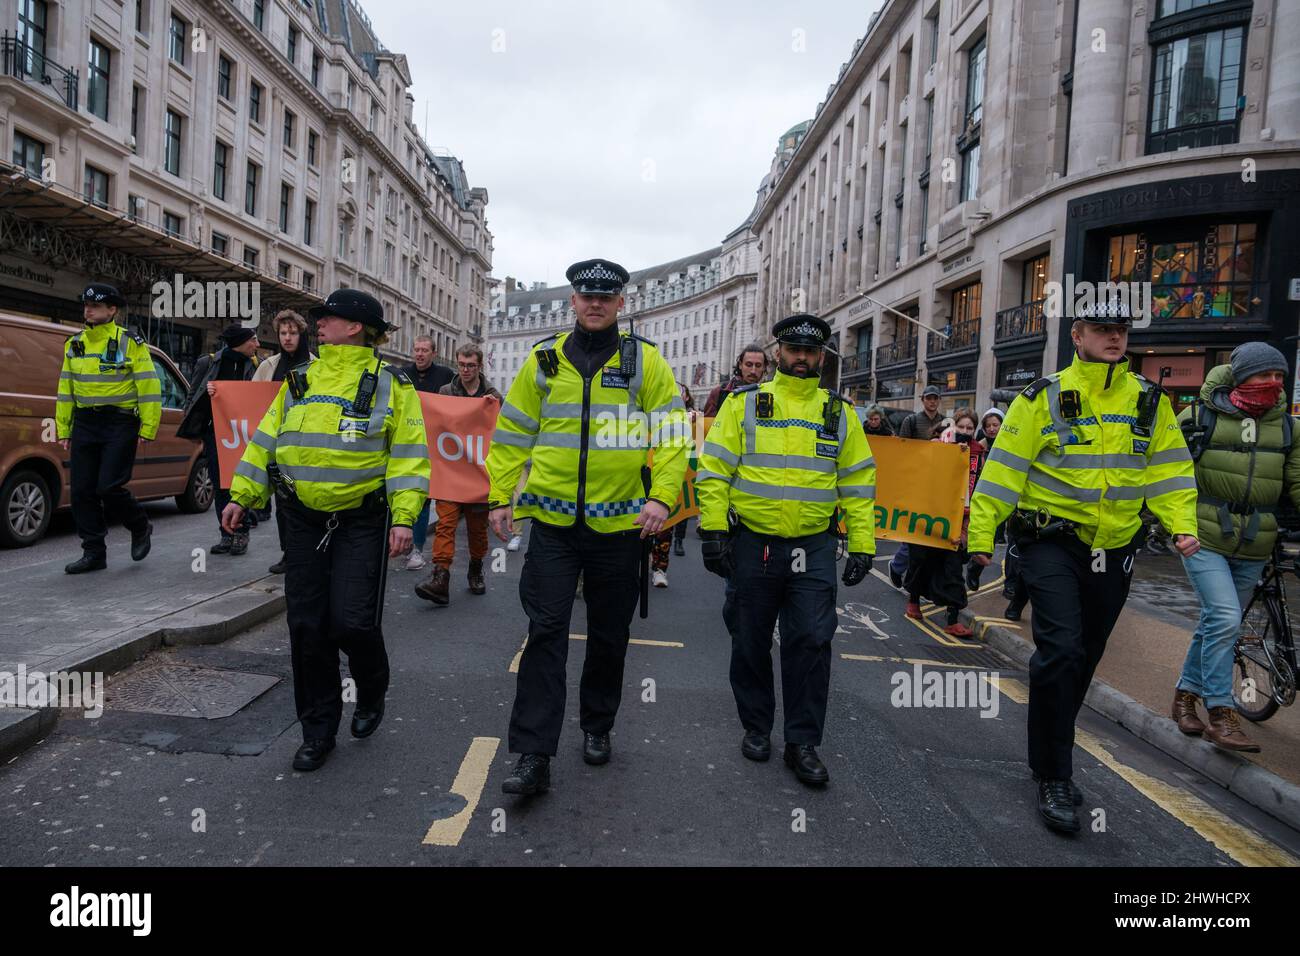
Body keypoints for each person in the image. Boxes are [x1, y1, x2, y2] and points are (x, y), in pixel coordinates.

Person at [967, 301, 1198, 834]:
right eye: (1102, 329)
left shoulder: (1148, 400)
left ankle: (1046, 750)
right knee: (1062, 650)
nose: (1114, 338)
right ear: (1078, 334)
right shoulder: (1041, 398)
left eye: (1121, 330)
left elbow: (1168, 470)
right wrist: (981, 534)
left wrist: (1181, 522)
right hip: (1052, 544)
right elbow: (1004, 471)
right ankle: (1056, 774)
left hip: (1114, 547)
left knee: (1085, 658)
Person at [486, 258, 690, 795]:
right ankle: (533, 754)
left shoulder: (646, 363)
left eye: (606, 295)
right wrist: (498, 495)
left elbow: (672, 438)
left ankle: (597, 724)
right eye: (585, 295)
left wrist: (662, 498)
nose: (595, 303)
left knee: (608, 636)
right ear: (572, 301)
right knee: (546, 632)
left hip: (621, 528)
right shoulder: (544, 359)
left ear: (621, 303)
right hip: (552, 525)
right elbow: (512, 434)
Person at [223, 289, 429, 772]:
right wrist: (242, 495)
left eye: (327, 318)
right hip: (301, 518)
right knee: (307, 627)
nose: (319, 325)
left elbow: (409, 455)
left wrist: (403, 518)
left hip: (362, 518)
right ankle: (318, 731)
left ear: (356, 326)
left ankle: (372, 686)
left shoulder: (391, 385)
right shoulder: (299, 379)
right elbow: (265, 441)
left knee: (352, 622)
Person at [696, 313, 876, 787]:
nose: (801, 359)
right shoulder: (744, 405)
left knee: (812, 643)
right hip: (754, 542)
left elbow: (858, 482)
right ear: (778, 354)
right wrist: (713, 531)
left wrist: (862, 543)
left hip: (814, 547)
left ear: (821, 356)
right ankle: (757, 727)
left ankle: (802, 742)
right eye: (793, 351)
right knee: (750, 638)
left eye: (810, 352)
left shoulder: (839, 412)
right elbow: (714, 471)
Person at [1172, 343, 1300, 754]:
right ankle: (1221, 714)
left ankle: (1183, 699)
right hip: (1203, 536)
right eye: (1265, 375)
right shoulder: (1197, 417)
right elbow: (1166, 477)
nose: (1274, 384)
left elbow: (1297, 483)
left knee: (1216, 623)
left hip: (1256, 543)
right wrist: (1173, 527)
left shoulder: (1288, 428)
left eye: (1279, 377)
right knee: (1226, 618)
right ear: (1241, 376)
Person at [57, 283, 161, 574]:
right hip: (85, 423)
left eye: (96, 305)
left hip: (120, 422)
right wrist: (64, 428)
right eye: (86, 304)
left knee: (109, 486)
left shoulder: (131, 342)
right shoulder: (74, 343)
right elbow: (66, 389)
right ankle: (93, 553)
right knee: (81, 491)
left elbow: (149, 386)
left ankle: (140, 525)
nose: (88, 309)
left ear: (112, 310)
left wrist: (148, 427)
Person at [415, 344, 503, 603]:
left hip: (478, 474)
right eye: (462, 365)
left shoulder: (492, 396)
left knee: (477, 531)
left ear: (479, 367)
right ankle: (440, 576)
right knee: (445, 525)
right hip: (451, 472)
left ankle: (476, 569)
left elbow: (501, 432)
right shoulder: (445, 392)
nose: (465, 370)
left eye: (471, 366)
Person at [178, 324, 261, 556]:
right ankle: (227, 534)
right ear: (240, 342)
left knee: (239, 485)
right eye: (253, 340)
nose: (257, 345)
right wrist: (207, 395)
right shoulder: (208, 363)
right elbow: (192, 396)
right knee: (220, 484)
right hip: (215, 434)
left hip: (244, 436)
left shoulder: (256, 366)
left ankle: (241, 532)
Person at [902, 408, 981, 638]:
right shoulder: (935, 447)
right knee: (921, 561)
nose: (965, 432)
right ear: (952, 426)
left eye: (970, 428)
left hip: (957, 519)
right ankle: (914, 601)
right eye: (962, 427)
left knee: (953, 568)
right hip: (930, 515)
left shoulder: (978, 453)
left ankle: (952, 619)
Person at [251, 310, 316, 573]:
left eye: (293, 333)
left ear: (302, 334)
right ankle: (288, 554)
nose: (288, 338)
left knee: (304, 502)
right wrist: (217, 391)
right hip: (277, 448)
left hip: (305, 446)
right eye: (283, 333)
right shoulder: (268, 366)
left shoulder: (315, 366)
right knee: (282, 503)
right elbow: (250, 397)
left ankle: (306, 552)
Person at [402, 334, 456, 567]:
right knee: (403, 495)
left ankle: (416, 548)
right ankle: (401, 541)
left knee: (424, 498)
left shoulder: (445, 375)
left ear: (433, 353)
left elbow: (461, 400)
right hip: (406, 443)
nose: (420, 354)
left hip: (436, 446)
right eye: (417, 349)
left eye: (425, 350)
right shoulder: (403, 374)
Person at [650, 384, 698, 585]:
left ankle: (660, 568)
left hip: (673, 479)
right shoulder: (650, 412)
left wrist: (696, 422)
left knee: (665, 526)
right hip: (646, 475)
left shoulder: (694, 417)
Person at [703, 344, 768, 417]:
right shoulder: (719, 393)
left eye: (758, 365)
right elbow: (707, 426)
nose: (753, 371)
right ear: (740, 365)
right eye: (749, 365)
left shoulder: (770, 393)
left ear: (764, 367)